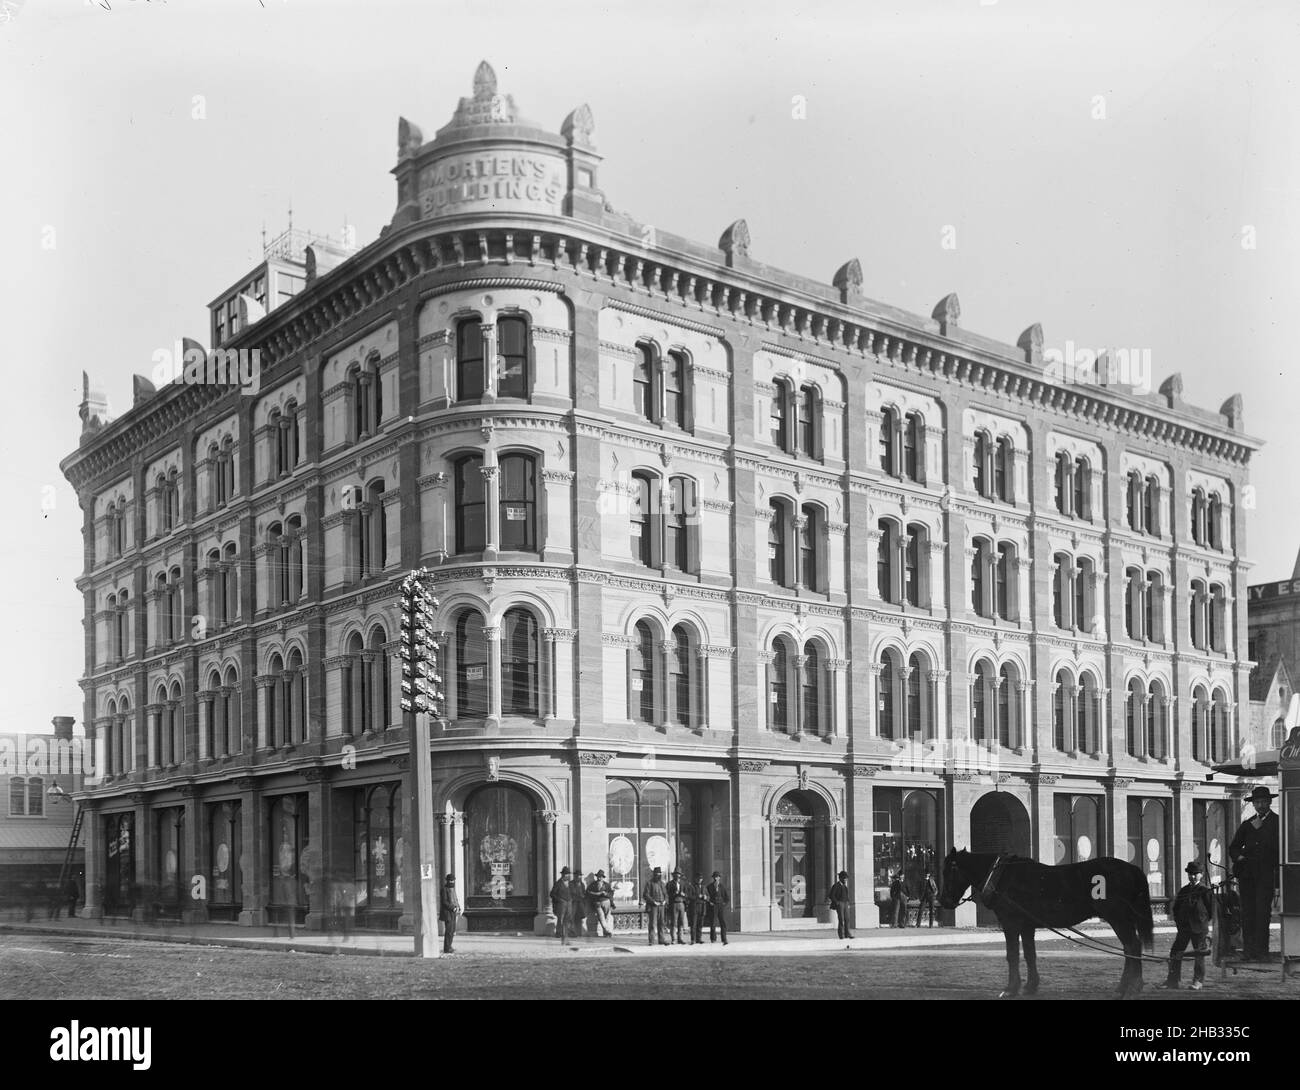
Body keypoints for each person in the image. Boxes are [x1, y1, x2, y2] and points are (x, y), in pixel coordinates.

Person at [1229, 785, 1280, 960]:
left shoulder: (1278, 823)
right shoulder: (1247, 824)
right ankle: (1248, 951)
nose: (1260, 805)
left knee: (1262, 913)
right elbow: (1234, 847)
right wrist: (1239, 858)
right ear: (1253, 804)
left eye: (1263, 802)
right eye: (1257, 802)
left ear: (1270, 802)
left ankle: (1261, 952)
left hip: (1266, 876)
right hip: (1247, 876)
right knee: (1248, 913)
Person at [1158, 861, 1212, 990]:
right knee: (1176, 952)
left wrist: (1203, 922)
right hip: (1184, 928)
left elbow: (1211, 910)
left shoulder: (1205, 891)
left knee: (1199, 954)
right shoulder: (1184, 890)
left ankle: (1198, 981)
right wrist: (1180, 923)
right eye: (1190, 874)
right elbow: (1176, 909)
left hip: (1199, 929)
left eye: (1195, 874)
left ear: (1201, 875)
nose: (1192, 877)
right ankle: (1172, 981)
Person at [644, 866, 669, 945]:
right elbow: (646, 895)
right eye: (657, 874)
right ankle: (651, 941)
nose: (658, 875)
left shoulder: (662, 884)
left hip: (662, 906)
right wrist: (653, 902)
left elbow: (666, 894)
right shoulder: (649, 883)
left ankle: (661, 939)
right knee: (652, 924)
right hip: (653, 906)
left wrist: (665, 901)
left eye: (660, 874)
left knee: (662, 923)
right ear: (654, 874)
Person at [587, 869, 614, 937]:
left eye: (601, 877)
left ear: (603, 877)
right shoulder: (593, 885)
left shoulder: (607, 885)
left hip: (606, 902)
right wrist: (596, 894)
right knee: (601, 916)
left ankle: (605, 932)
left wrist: (606, 894)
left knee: (606, 917)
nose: (599, 878)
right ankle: (607, 931)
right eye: (598, 876)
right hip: (597, 902)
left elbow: (611, 893)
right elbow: (588, 892)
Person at [551, 866, 574, 944]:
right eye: (564, 874)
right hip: (561, 904)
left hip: (569, 904)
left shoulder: (571, 884)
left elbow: (574, 893)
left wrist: (571, 899)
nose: (566, 876)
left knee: (567, 920)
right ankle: (562, 935)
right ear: (562, 875)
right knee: (561, 920)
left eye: (567, 874)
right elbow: (552, 894)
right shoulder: (558, 883)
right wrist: (559, 900)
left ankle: (565, 936)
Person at [667, 869, 690, 944]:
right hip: (674, 903)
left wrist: (684, 895)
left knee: (681, 922)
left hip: (681, 903)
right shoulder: (670, 884)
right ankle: (674, 938)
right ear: (673, 875)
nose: (677, 876)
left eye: (679, 874)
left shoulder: (683, 884)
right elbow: (667, 895)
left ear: (680, 875)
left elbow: (687, 895)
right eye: (676, 874)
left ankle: (680, 938)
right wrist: (674, 893)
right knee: (674, 922)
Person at [706, 870, 729, 945]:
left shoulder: (722, 886)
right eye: (715, 877)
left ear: (719, 878)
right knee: (713, 923)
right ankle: (713, 938)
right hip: (713, 906)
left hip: (720, 906)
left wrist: (723, 904)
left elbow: (727, 898)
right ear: (713, 878)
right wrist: (710, 903)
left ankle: (724, 939)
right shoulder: (709, 887)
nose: (716, 878)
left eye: (718, 877)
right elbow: (707, 897)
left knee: (723, 923)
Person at [439, 873, 460, 954]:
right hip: (447, 913)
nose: (452, 882)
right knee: (448, 931)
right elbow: (444, 902)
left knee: (452, 931)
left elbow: (455, 899)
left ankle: (450, 946)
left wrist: (458, 907)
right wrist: (453, 908)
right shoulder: (444, 889)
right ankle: (447, 948)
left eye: (453, 880)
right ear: (447, 881)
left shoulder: (453, 889)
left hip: (453, 912)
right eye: (450, 880)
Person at [828, 870, 853, 939]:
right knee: (841, 919)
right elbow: (831, 895)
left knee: (847, 919)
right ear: (840, 878)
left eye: (846, 878)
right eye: (844, 878)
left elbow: (846, 896)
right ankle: (841, 935)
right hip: (840, 904)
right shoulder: (836, 885)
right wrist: (837, 902)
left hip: (845, 903)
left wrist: (848, 903)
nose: (845, 880)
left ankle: (847, 933)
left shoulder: (845, 886)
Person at [569, 867, 589, 940]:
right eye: (577, 875)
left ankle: (579, 932)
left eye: (579, 875)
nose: (578, 877)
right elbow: (572, 892)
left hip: (580, 902)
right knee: (571, 917)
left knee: (581, 916)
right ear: (574, 876)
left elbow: (584, 893)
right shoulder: (571, 883)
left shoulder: (582, 884)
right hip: (573, 902)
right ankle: (571, 932)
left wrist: (584, 896)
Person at [687, 873, 706, 944]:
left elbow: (708, 896)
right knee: (693, 924)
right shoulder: (692, 887)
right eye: (698, 879)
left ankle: (699, 939)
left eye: (700, 879)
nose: (699, 880)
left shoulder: (704, 887)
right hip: (695, 907)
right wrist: (698, 896)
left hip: (702, 907)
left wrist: (706, 897)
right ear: (695, 879)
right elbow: (689, 896)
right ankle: (693, 939)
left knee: (700, 924)